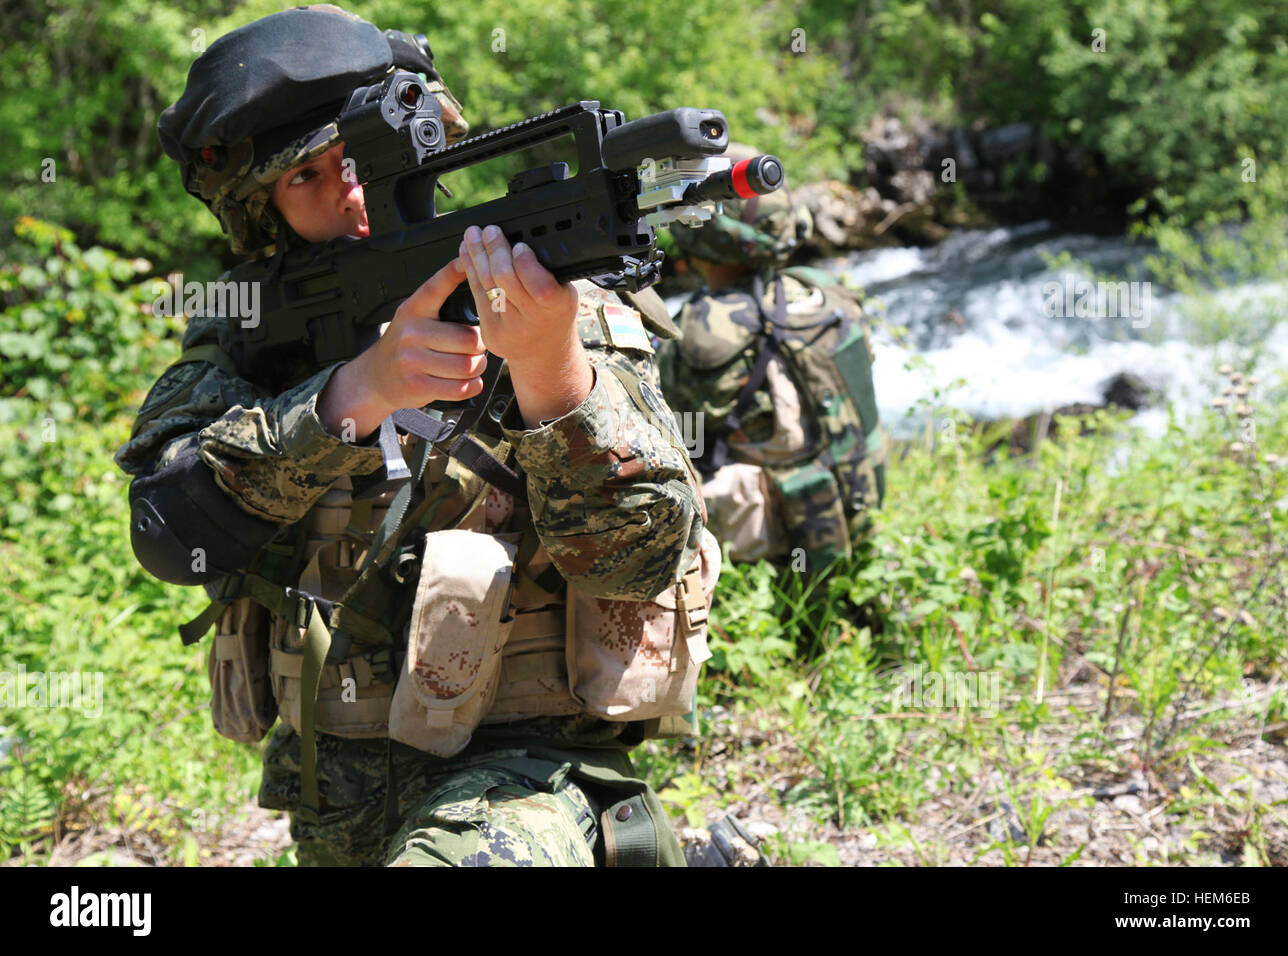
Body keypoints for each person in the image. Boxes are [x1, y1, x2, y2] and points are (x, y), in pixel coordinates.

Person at [115, 4, 715, 867]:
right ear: (258, 210)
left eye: (358, 162)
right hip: (334, 792)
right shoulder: (251, 326)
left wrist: (551, 371)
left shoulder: (550, 294)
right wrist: (351, 396)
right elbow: (168, 534)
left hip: (529, 776)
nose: (347, 192)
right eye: (305, 178)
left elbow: (640, 563)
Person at [657, 149, 886, 572]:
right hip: (859, 501)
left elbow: (676, 446)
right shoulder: (828, 292)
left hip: (773, 544)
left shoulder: (697, 328)